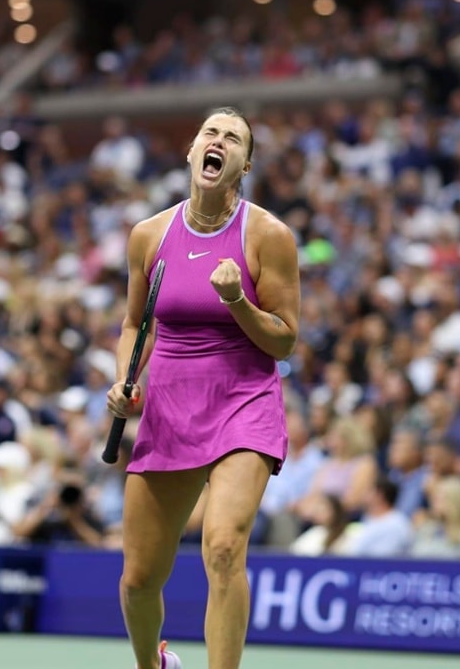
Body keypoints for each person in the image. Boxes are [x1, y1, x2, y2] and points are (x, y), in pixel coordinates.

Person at [107, 107, 300, 669]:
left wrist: (238, 301)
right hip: (169, 411)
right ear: (192, 151)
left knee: (223, 548)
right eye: (210, 133)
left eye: (233, 138)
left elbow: (285, 340)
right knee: (138, 581)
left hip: (244, 406)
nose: (219, 142)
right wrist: (125, 381)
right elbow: (134, 325)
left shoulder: (268, 236)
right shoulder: (149, 235)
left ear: (245, 165)